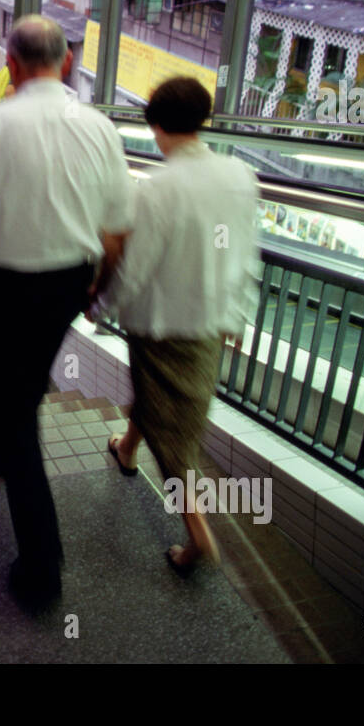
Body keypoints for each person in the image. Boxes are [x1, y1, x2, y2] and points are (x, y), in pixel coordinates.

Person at [0, 15, 132, 611]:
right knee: (18, 392)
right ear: (66, 61)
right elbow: (117, 232)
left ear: (10, 67)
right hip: (67, 286)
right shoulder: (100, 127)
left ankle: (42, 568)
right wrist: (97, 292)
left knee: (19, 414)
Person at [90, 77, 258, 576]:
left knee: (175, 435)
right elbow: (246, 252)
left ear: (157, 126)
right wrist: (239, 313)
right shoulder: (239, 175)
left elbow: (136, 267)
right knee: (164, 406)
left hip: (161, 326)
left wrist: (100, 305)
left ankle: (197, 534)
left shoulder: (159, 188)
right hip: (209, 323)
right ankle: (125, 448)